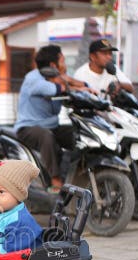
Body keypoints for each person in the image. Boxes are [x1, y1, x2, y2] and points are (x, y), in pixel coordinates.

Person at [14, 45, 85, 191]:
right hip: (28, 127)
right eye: (63, 61)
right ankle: (56, 181)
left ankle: (78, 174)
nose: (65, 65)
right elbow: (56, 89)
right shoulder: (33, 78)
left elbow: (80, 88)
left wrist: (82, 87)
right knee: (46, 136)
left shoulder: (57, 78)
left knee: (78, 134)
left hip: (51, 124)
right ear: (53, 65)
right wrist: (69, 83)